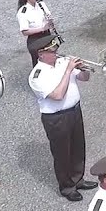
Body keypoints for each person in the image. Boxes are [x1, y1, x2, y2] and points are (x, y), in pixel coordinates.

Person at [27, 32, 97, 200]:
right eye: (52, 51)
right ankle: (67, 187)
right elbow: (57, 95)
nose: (56, 53)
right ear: (41, 54)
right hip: (56, 119)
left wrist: (82, 69)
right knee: (62, 153)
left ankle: (78, 178)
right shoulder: (37, 76)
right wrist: (67, 72)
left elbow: (83, 78)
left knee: (78, 147)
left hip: (74, 111)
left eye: (56, 49)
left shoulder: (62, 63)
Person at [16, 0, 56, 64]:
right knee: (40, 63)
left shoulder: (41, 3)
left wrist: (50, 22)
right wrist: (42, 29)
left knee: (52, 58)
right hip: (35, 39)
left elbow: (48, 15)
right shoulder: (23, 12)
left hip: (47, 35)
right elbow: (25, 32)